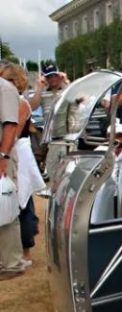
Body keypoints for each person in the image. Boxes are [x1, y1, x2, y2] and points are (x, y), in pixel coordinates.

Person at [1, 64, 45, 263]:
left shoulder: (18, 103)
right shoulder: (17, 101)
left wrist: (4, 153)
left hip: (18, 152)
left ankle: (25, 250)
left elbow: (14, 132)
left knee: (22, 201)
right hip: (14, 151)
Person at [0, 62, 25, 278]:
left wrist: (3, 157)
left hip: (2, 155)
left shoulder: (5, 89)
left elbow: (10, 125)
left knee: (5, 207)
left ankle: (12, 263)